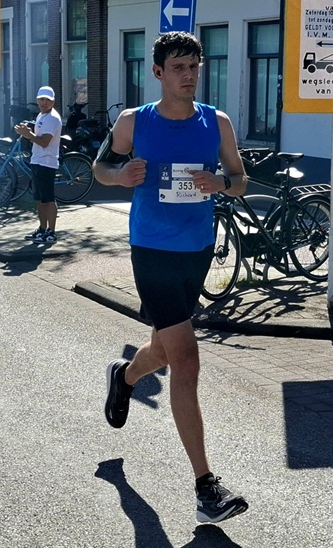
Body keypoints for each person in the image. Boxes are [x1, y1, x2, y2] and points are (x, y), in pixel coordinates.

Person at [92, 31, 249, 524]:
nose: (188, 75)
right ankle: (207, 488)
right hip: (153, 251)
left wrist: (221, 183)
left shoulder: (216, 122)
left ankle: (125, 376)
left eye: (194, 66)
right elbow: (100, 168)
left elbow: (241, 180)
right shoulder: (133, 122)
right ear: (157, 73)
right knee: (185, 359)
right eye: (178, 67)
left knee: (162, 348)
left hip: (197, 251)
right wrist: (120, 177)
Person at [15, 86, 61, 243]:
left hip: (47, 163)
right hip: (37, 160)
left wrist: (27, 134)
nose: (44, 102)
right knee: (39, 199)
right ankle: (42, 229)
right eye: (41, 99)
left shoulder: (53, 118)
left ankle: (52, 231)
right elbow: (38, 137)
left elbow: (44, 142)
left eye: (47, 100)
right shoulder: (42, 115)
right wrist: (28, 133)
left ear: (53, 101)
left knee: (48, 198)